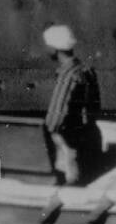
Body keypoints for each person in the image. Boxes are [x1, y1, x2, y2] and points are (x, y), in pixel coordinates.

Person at [41, 24, 104, 185]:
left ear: (54, 49)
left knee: (69, 186)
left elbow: (54, 121)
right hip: (89, 139)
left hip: (69, 147)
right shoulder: (86, 70)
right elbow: (94, 109)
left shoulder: (68, 76)